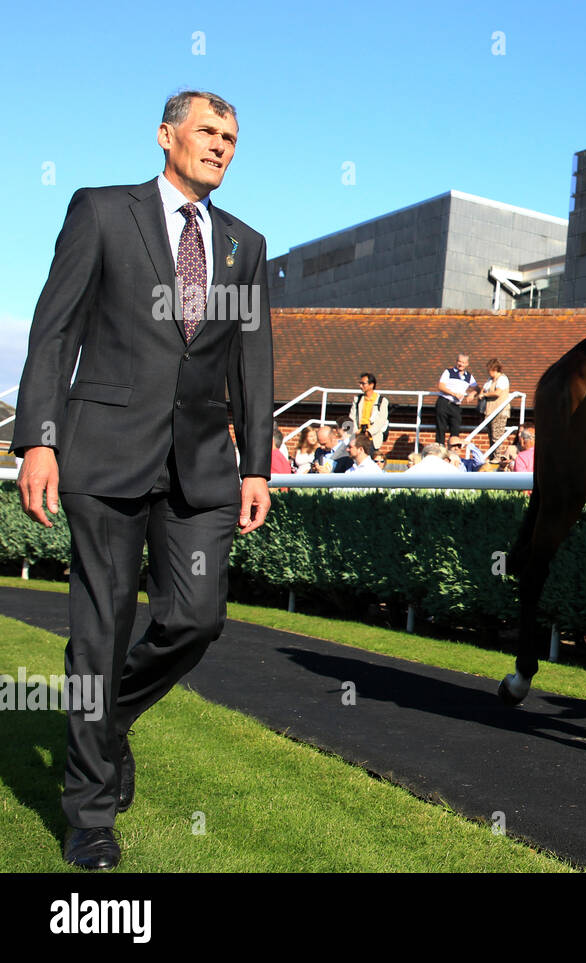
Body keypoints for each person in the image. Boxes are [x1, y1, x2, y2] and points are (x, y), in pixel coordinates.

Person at [12, 90, 273, 869]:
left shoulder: (245, 244)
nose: (221, 146)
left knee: (197, 617)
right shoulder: (100, 211)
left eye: (231, 137)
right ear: (166, 137)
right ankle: (89, 812)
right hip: (103, 453)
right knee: (100, 634)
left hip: (200, 465)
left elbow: (250, 358)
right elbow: (53, 328)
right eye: (207, 132)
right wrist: (39, 439)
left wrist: (256, 460)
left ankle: (107, 719)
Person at [435, 354, 477, 445]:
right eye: (459, 362)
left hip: (456, 406)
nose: (461, 364)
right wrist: (454, 394)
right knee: (441, 428)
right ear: (456, 361)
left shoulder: (469, 376)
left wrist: (472, 394)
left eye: (463, 362)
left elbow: (477, 388)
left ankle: (452, 453)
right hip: (444, 402)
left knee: (455, 430)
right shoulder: (448, 372)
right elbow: (441, 386)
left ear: (467, 364)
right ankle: (439, 450)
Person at [348, 372, 390, 449]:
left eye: (363, 383)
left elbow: (382, 420)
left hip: (373, 438)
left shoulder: (382, 401)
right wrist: (356, 431)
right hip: (358, 436)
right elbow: (352, 417)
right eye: (360, 383)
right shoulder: (357, 399)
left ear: (371, 385)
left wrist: (369, 432)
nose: (360, 386)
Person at [478, 359, 511, 447]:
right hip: (489, 411)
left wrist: (485, 394)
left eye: (489, 369)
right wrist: (482, 393)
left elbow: (497, 393)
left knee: (497, 436)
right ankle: (492, 457)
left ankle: (497, 457)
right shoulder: (490, 380)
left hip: (500, 412)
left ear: (495, 369)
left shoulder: (502, 379)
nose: (488, 372)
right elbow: (483, 389)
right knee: (490, 436)